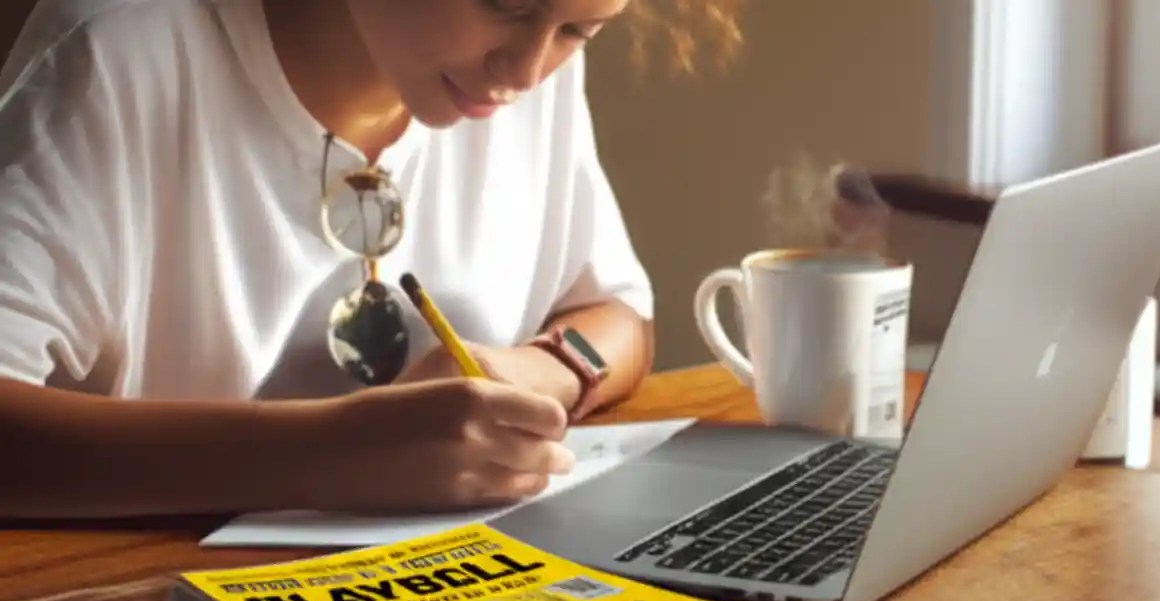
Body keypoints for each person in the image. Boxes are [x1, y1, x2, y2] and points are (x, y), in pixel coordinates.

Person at [0, 0, 743, 519]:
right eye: (505, 5)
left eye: (579, 31)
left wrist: (532, 373)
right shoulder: (117, 56)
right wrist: (326, 454)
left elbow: (619, 318)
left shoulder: (524, 74)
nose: (525, 73)